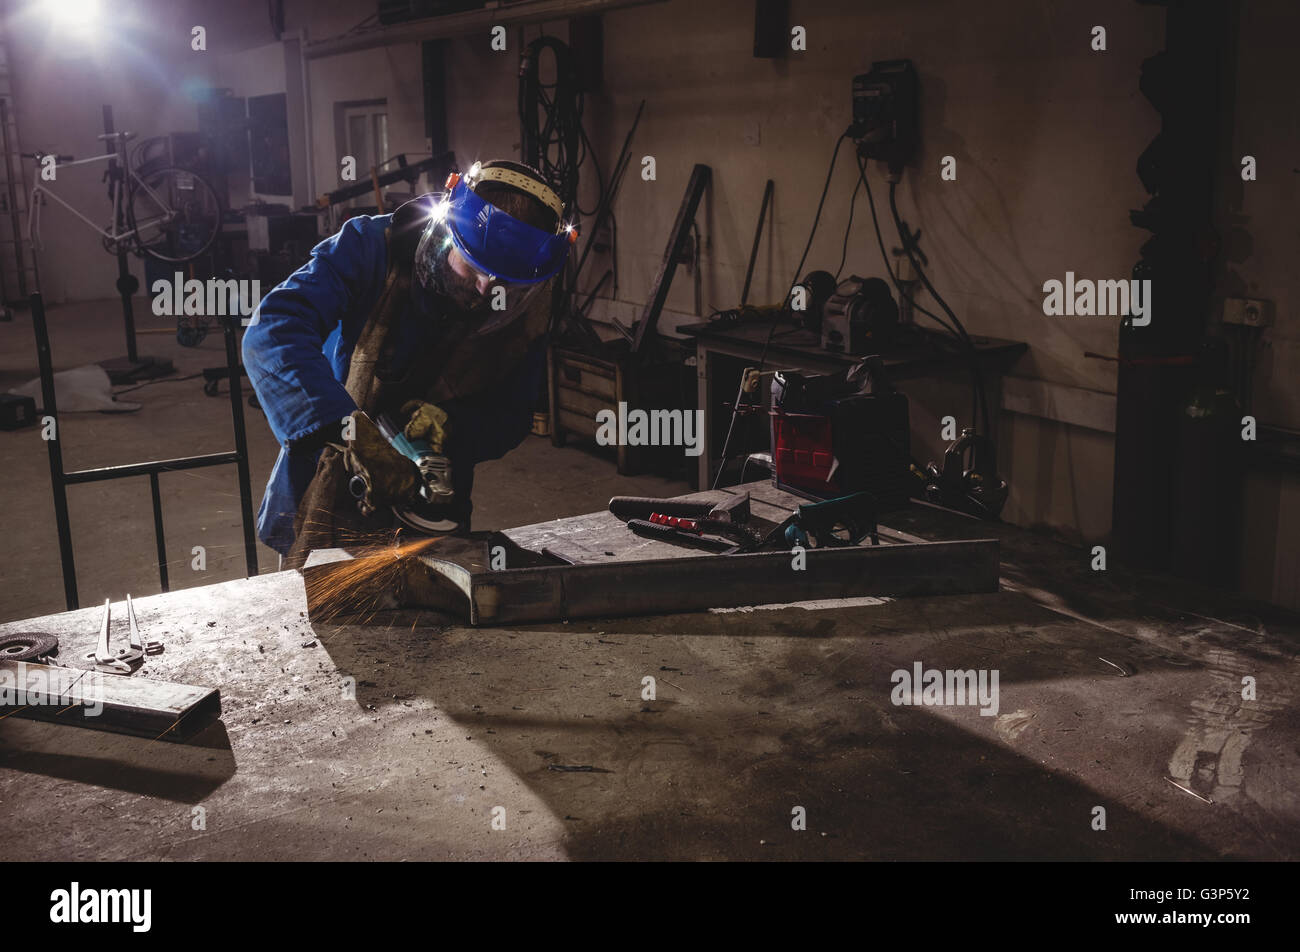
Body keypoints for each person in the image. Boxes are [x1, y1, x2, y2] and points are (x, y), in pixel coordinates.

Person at [243, 159, 575, 568]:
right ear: (446, 232)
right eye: (474, 266)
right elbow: (274, 329)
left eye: (505, 279)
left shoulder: (526, 305)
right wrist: (343, 428)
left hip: (435, 501)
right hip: (329, 466)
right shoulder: (372, 246)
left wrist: (453, 427)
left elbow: (514, 412)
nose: (487, 288)